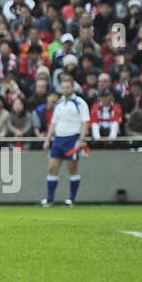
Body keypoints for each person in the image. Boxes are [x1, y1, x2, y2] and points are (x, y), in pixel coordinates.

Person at [41, 73, 89, 207]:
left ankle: (71, 199)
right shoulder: (59, 103)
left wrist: (81, 139)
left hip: (72, 138)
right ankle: (49, 199)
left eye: (68, 87)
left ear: (72, 87)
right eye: (63, 88)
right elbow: (53, 123)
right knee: (52, 168)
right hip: (58, 139)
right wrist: (47, 139)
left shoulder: (80, 103)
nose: (65, 90)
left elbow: (85, 122)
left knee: (72, 168)